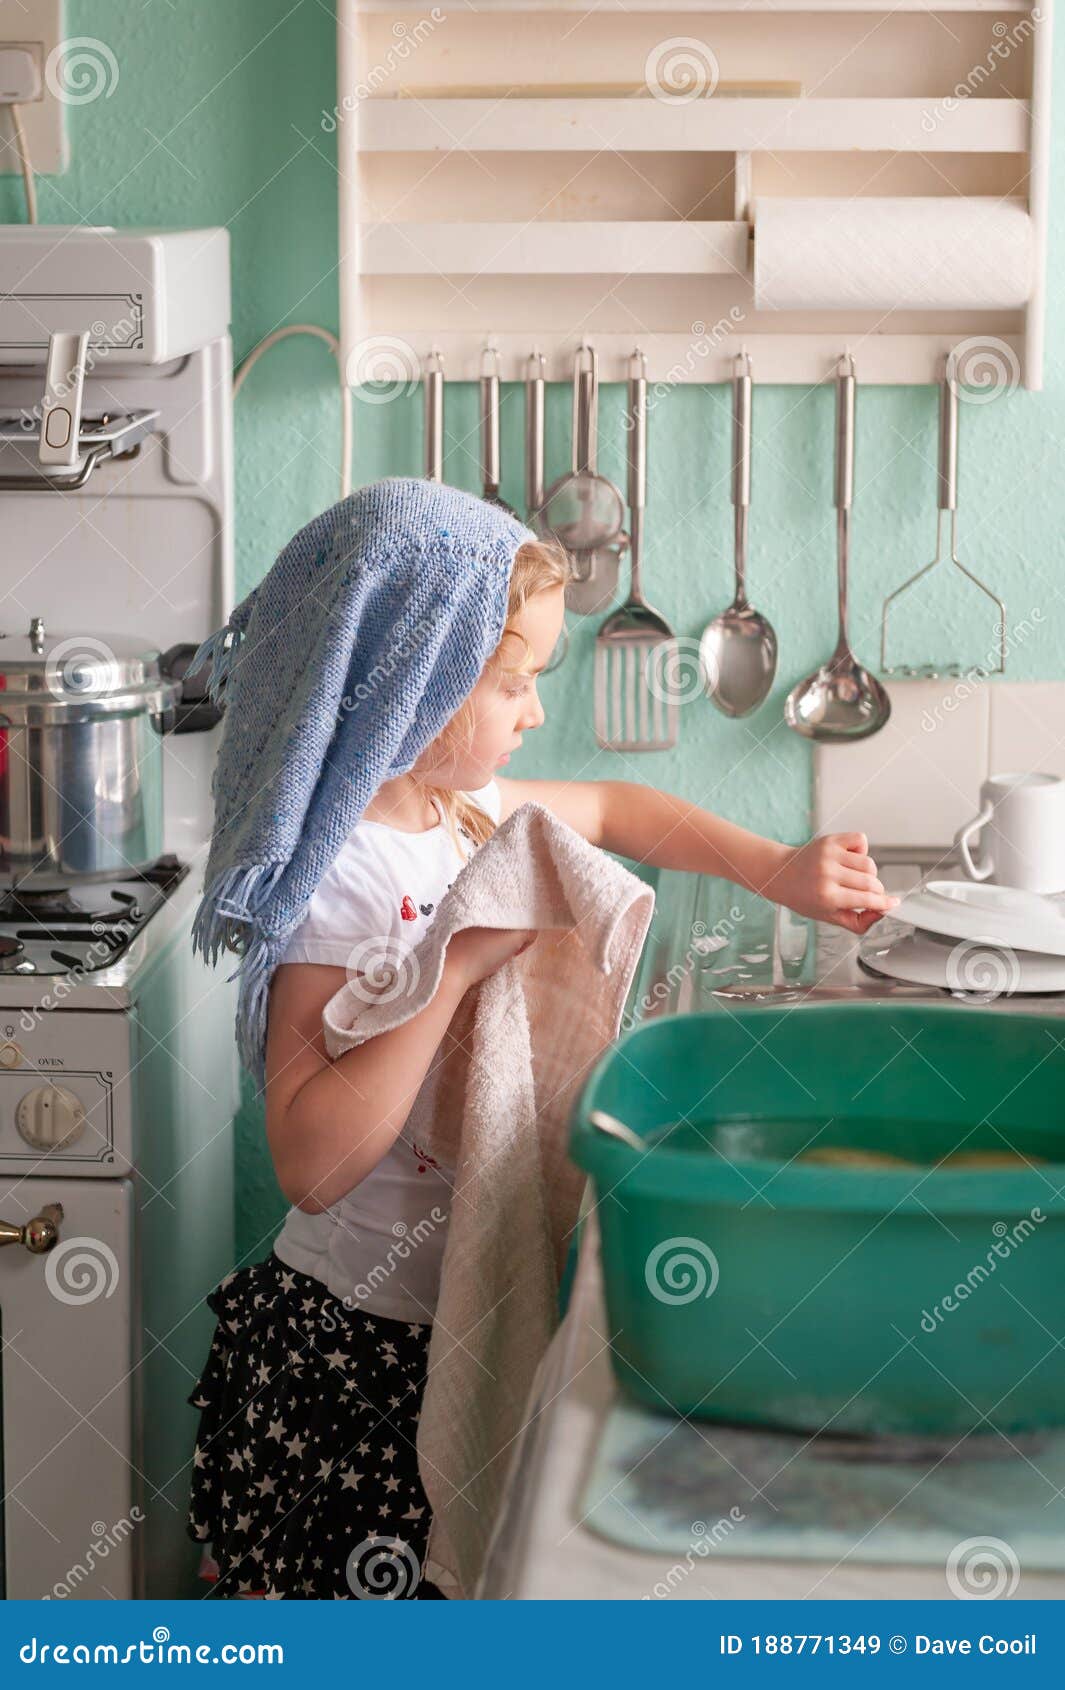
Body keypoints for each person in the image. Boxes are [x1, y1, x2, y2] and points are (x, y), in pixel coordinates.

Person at [184, 477, 897, 1599]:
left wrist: (779, 869)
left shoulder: (454, 813)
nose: (533, 710)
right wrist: (458, 962)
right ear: (411, 687)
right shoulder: (338, 875)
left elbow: (617, 809)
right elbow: (310, 1162)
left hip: (441, 1323)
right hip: (350, 1357)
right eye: (515, 682)